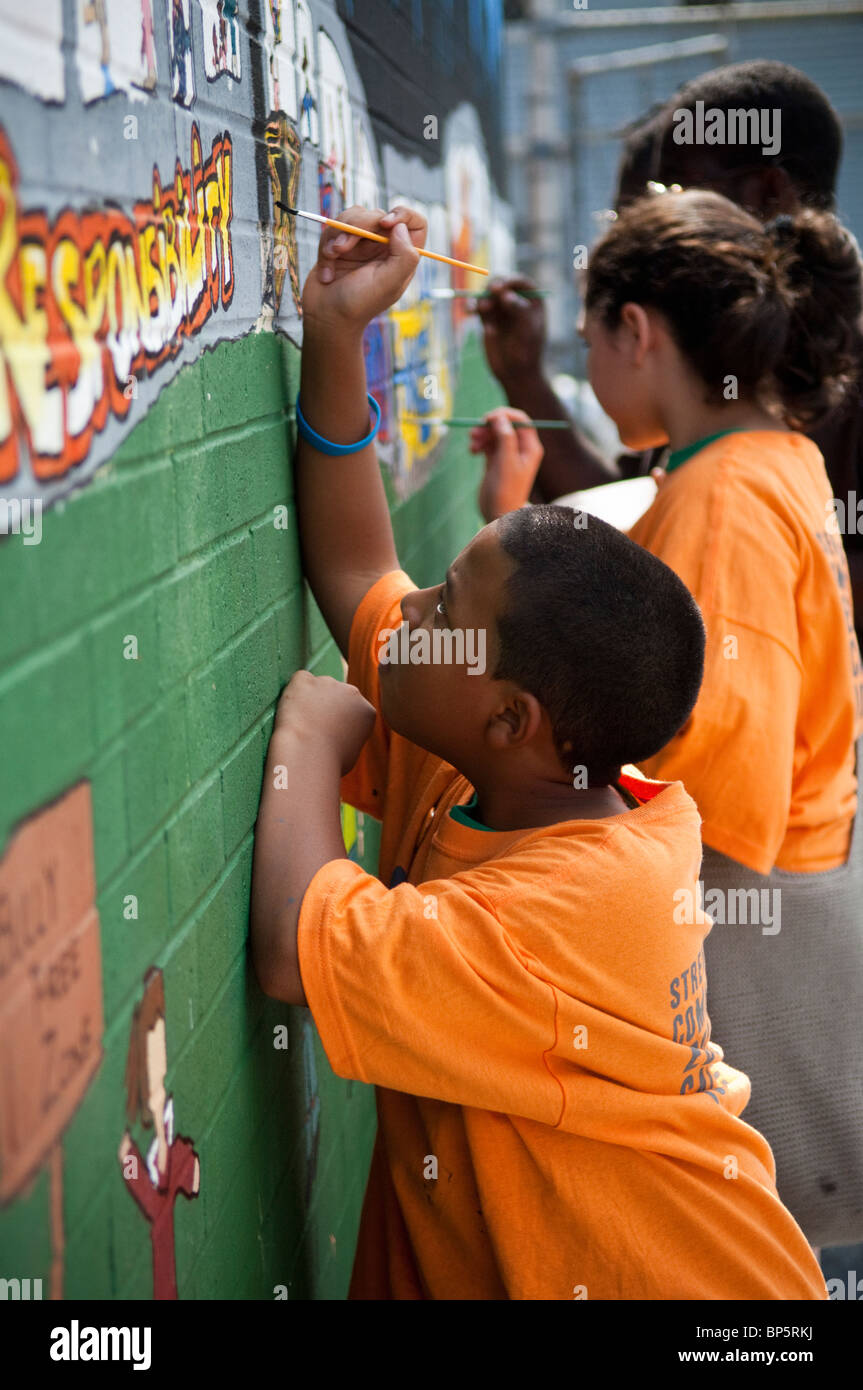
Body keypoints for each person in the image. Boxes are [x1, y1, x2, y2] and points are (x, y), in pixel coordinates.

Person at [249, 202, 828, 1299]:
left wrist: (307, 745)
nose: (409, 610)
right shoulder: (496, 762)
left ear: (512, 715)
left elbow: (292, 948)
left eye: (443, 605)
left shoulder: (563, 908)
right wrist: (335, 332)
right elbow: (353, 565)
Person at [478, 185, 863, 1249]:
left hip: (758, 925)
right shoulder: (761, 458)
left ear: (633, 331)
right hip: (788, 901)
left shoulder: (726, 497)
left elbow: (712, 774)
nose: (589, 366)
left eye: (592, 334)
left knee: (755, 1249)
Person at [479, 61, 863, 649]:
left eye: (672, 190)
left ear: (765, 192)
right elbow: (631, 518)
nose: (651, 218)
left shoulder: (741, 471)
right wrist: (523, 377)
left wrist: (515, 554)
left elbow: (660, 578)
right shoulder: (706, 362)